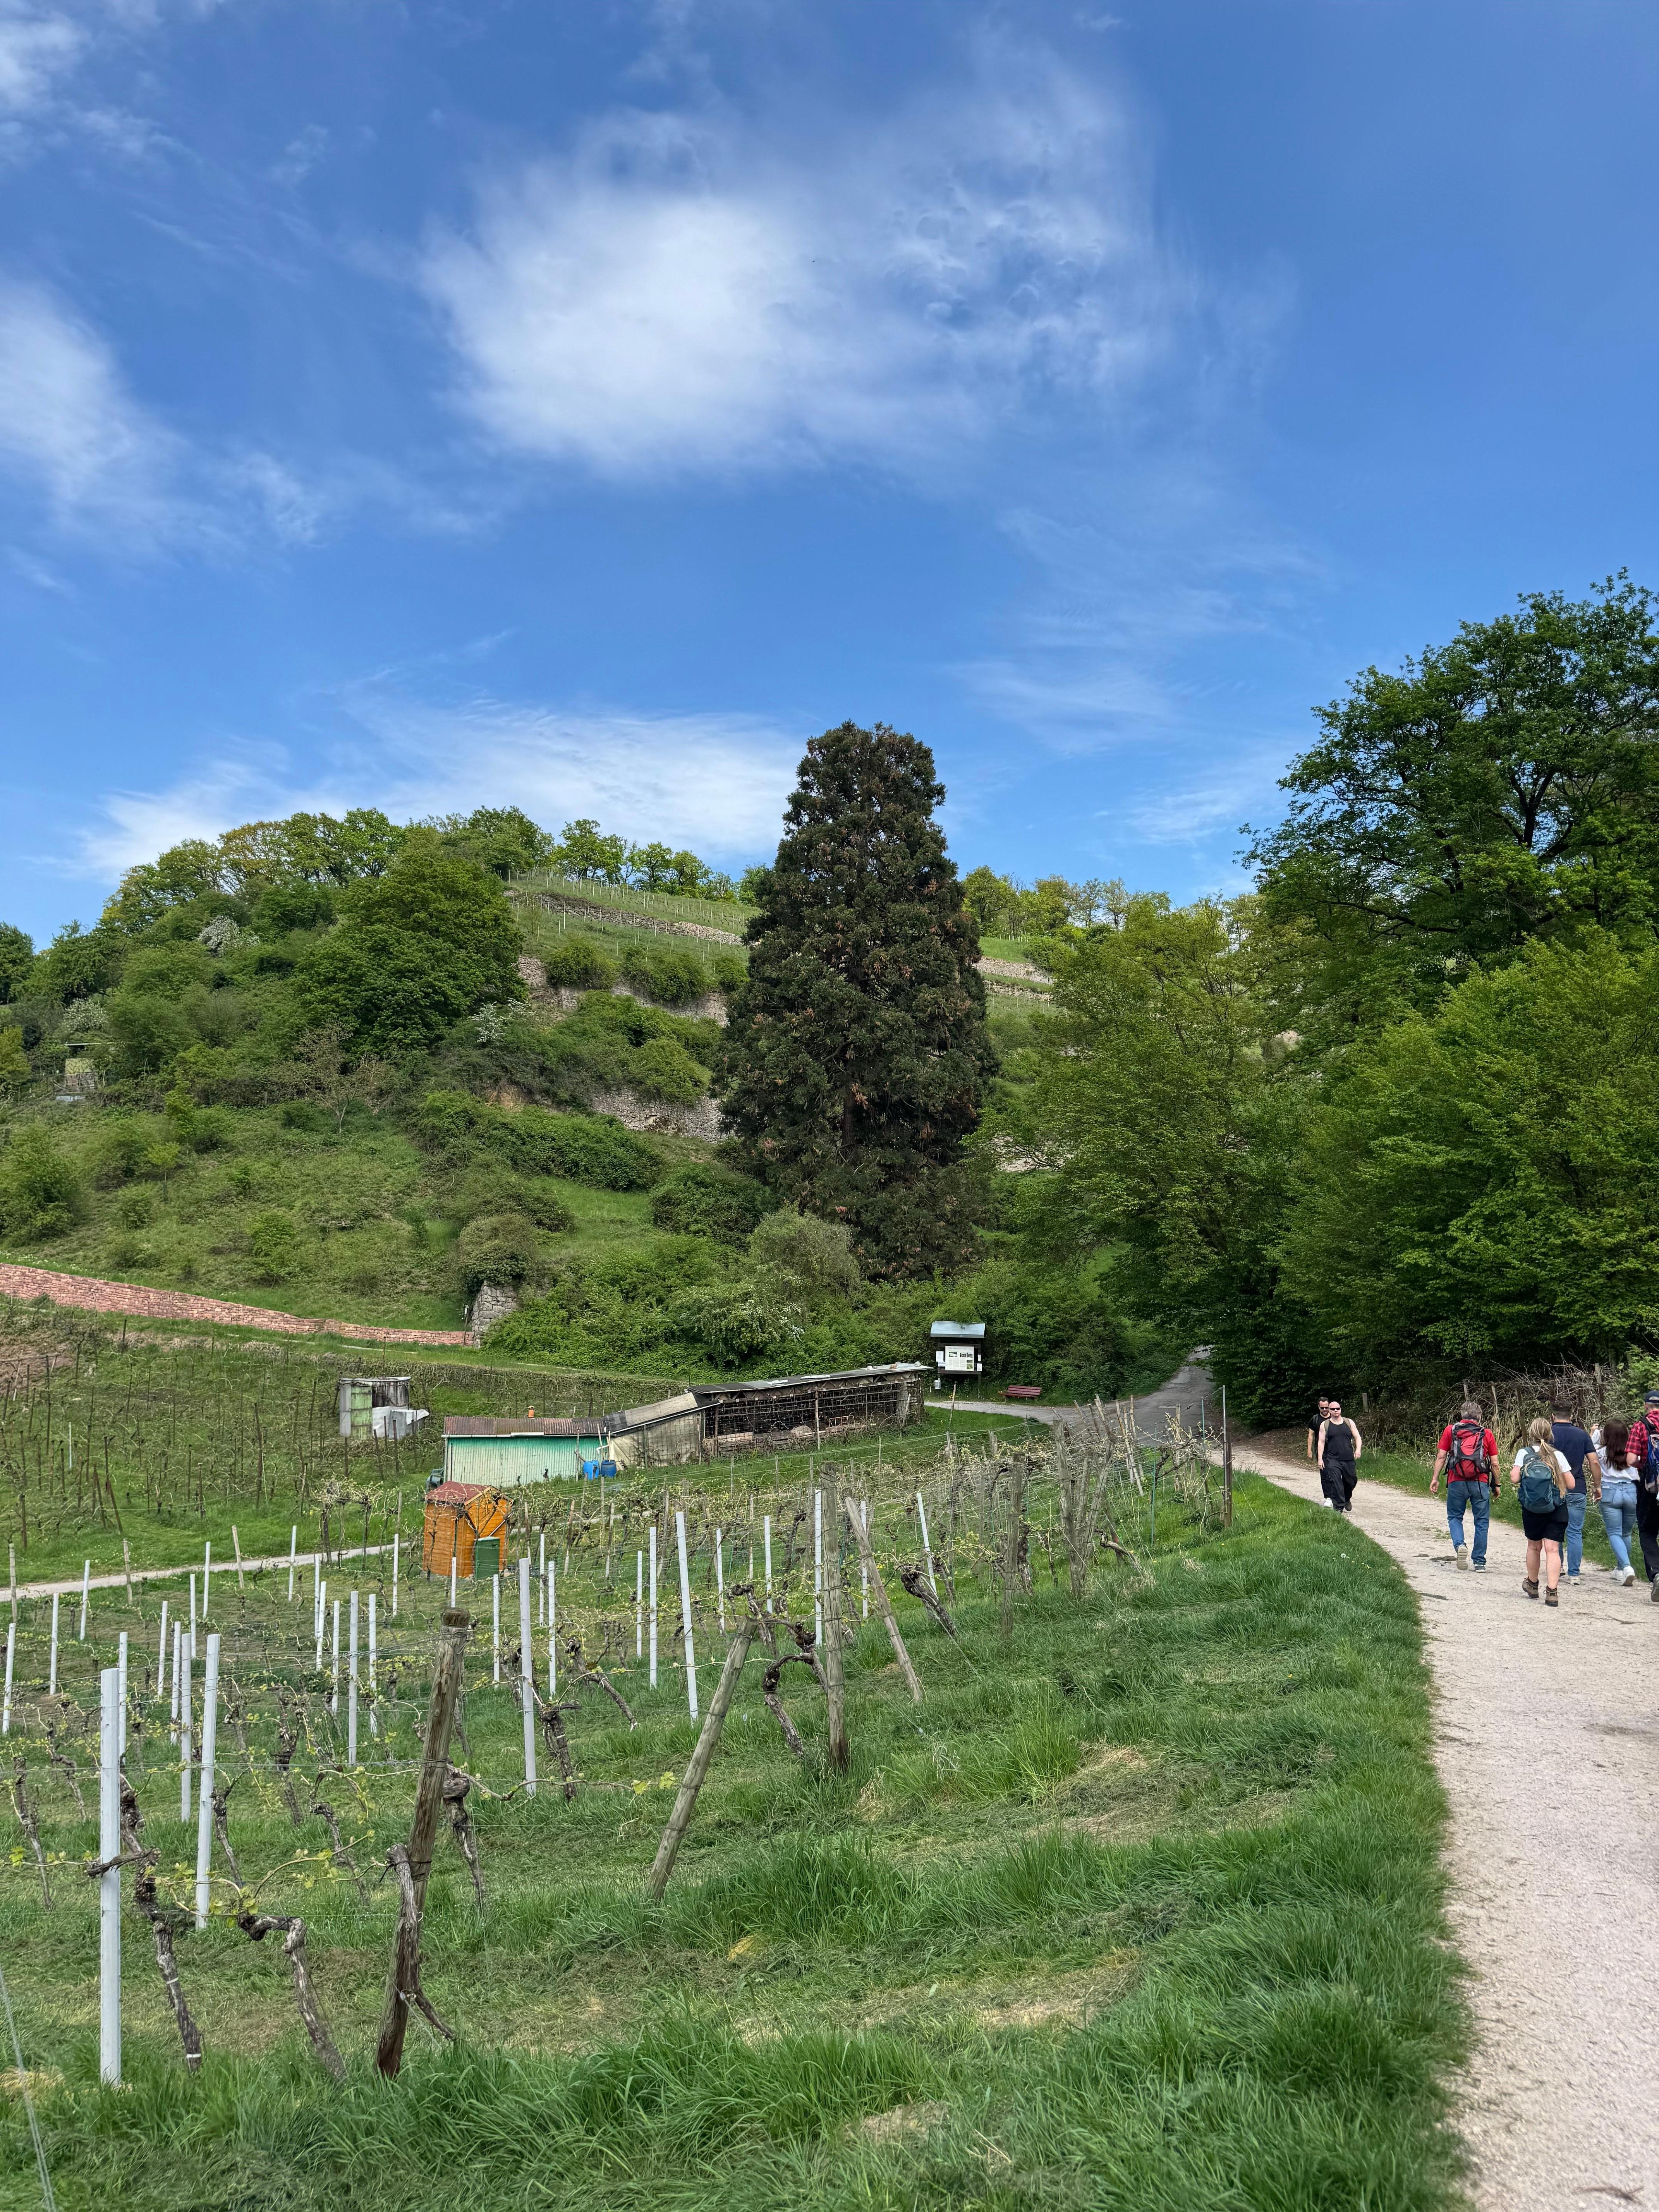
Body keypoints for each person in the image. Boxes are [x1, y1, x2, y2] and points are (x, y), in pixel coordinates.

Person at [1431, 1398, 1498, 1570]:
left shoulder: (1451, 1430)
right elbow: (1495, 1463)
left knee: (1455, 1517)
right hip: (1480, 1482)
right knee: (1482, 1522)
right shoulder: (1487, 1433)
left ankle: (1460, 1545)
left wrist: (1435, 1478)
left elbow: (1441, 1456)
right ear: (1480, 1416)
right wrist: (1497, 1484)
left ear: (1462, 1415)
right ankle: (1479, 1562)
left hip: (1456, 1480)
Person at [1511, 1415, 1572, 1605]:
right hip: (1556, 1508)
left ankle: (1532, 1584)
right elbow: (1571, 1484)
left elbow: (1514, 1478)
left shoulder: (1524, 1453)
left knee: (1534, 1547)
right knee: (1553, 1550)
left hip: (1532, 1508)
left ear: (1532, 1434)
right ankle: (1552, 1592)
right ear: (1550, 1434)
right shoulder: (1557, 1455)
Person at [1615, 1389, 1659, 1599]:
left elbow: (1631, 1459)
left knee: (1648, 1532)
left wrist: (1646, 1465)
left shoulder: (1641, 1426)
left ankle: (1657, 1573)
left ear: (1646, 1406)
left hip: (1651, 1487)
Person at [1548, 1398, 1597, 1584]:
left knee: (1555, 1529)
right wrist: (1598, 1486)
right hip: (1577, 1486)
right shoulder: (1582, 1435)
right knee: (1575, 1531)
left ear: (1553, 1416)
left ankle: (1558, 1567)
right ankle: (1575, 1573)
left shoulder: (1548, 1434)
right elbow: (1594, 1461)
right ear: (1572, 1415)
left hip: (1553, 1487)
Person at [1594, 1418, 1640, 1587]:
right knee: (1626, 1534)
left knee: (1615, 1533)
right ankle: (1621, 1569)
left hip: (1610, 1491)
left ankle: (1626, 1567)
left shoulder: (1601, 1453)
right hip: (1631, 1491)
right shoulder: (1634, 1454)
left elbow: (1590, 1452)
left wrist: (1595, 1434)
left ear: (1606, 1435)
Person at [1317, 1400, 1362, 1511]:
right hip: (1333, 1459)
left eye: (1338, 1409)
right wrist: (1320, 1459)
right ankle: (1338, 1508)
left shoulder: (1349, 1422)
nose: (1336, 1411)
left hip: (1348, 1459)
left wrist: (1358, 1450)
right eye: (1333, 1409)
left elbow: (1357, 1437)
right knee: (1336, 1482)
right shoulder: (1325, 1425)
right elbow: (1321, 1442)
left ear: (1341, 1410)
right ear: (1330, 1411)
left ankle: (1347, 1498)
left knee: (1351, 1481)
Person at [1306, 1396, 1333, 1463]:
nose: (1325, 1410)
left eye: (1326, 1408)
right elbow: (1311, 1435)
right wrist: (1309, 1450)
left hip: (1334, 1448)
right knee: (1325, 1468)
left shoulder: (1334, 1418)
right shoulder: (1315, 1419)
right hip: (1321, 1449)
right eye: (1322, 1408)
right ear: (1319, 1407)